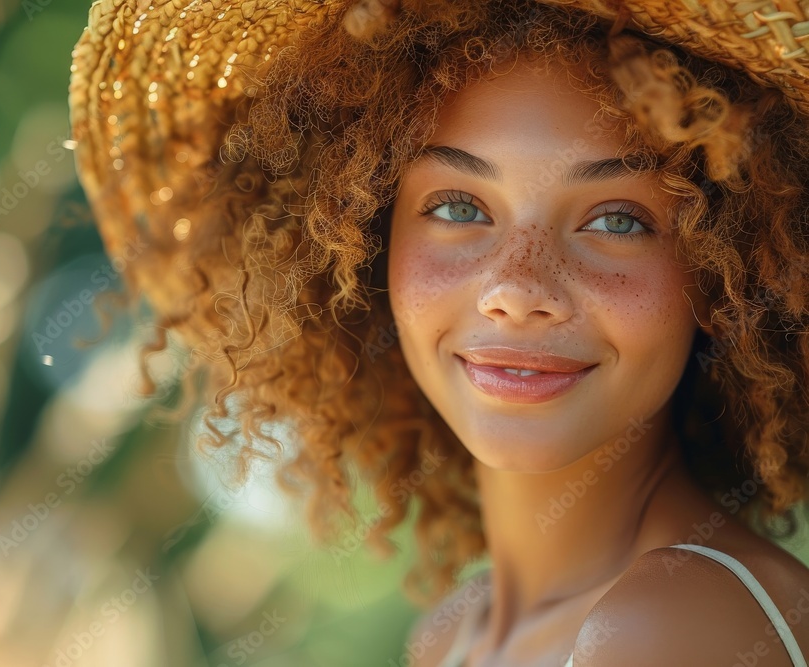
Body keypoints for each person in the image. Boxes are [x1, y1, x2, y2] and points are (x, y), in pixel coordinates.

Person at [68, 0, 809, 664]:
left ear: (724, 267)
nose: (517, 291)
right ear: (359, 241)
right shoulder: (453, 635)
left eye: (617, 219)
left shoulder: (671, 628)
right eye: (459, 207)